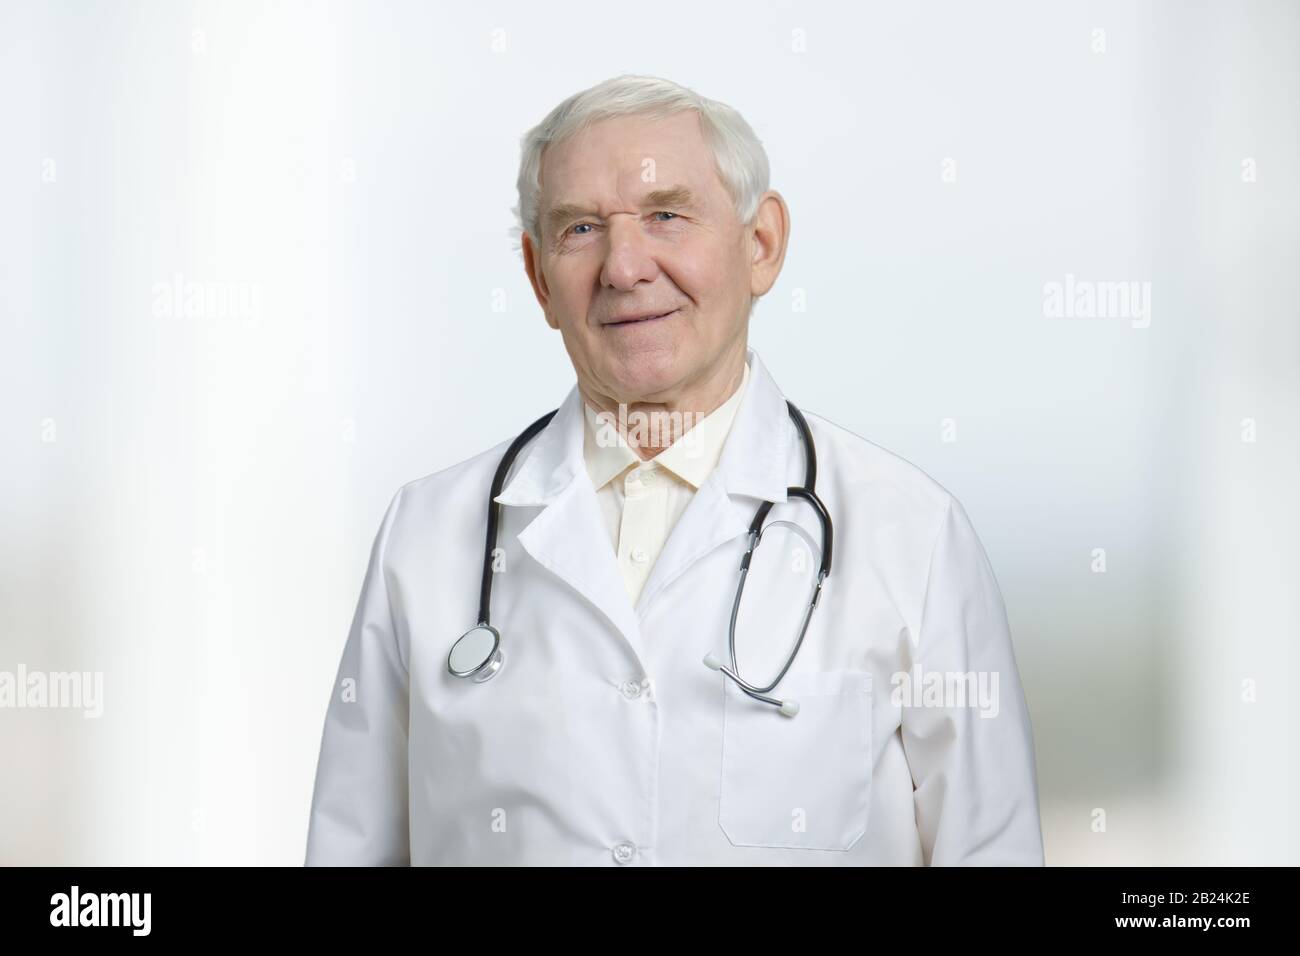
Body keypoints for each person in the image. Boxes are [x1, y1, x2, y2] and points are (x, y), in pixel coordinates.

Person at [305, 74, 1045, 866]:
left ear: (760, 245)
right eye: (581, 228)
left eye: (666, 215)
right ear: (536, 277)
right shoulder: (424, 538)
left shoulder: (912, 536)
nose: (625, 266)